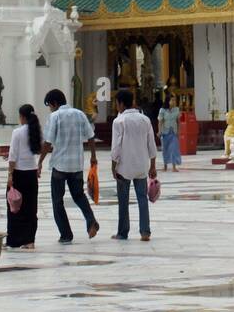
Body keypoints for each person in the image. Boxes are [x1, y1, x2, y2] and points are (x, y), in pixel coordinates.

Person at [39, 89, 100, 244]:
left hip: (60, 164)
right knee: (79, 195)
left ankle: (66, 234)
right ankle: (91, 220)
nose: (50, 109)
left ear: (54, 103)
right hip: (76, 164)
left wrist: (40, 162)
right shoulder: (79, 114)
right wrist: (93, 156)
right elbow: (91, 136)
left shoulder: (55, 116)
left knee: (57, 200)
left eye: (49, 105)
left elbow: (47, 142)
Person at [111, 88, 157, 241]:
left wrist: (113, 164)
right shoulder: (145, 120)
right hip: (142, 165)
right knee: (142, 198)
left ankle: (122, 232)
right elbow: (151, 143)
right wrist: (153, 165)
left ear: (121, 103)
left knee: (123, 201)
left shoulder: (119, 121)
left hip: (124, 166)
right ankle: (145, 231)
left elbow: (116, 146)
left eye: (117, 103)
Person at [6, 103, 42, 250]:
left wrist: (9, 174)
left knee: (14, 206)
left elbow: (12, 156)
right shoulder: (37, 131)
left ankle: (14, 240)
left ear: (22, 116)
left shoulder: (18, 132)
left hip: (19, 174)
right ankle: (29, 240)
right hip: (31, 173)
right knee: (31, 207)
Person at [157, 94, 182, 172]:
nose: (174, 102)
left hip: (173, 132)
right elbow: (160, 122)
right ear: (168, 101)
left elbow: (178, 122)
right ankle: (165, 166)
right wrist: (159, 131)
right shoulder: (162, 110)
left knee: (174, 149)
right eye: (172, 100)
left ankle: (174, 167)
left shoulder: (177, 110)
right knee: (165, 149)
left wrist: (178, 131)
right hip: (165, 132)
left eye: (174, 100)